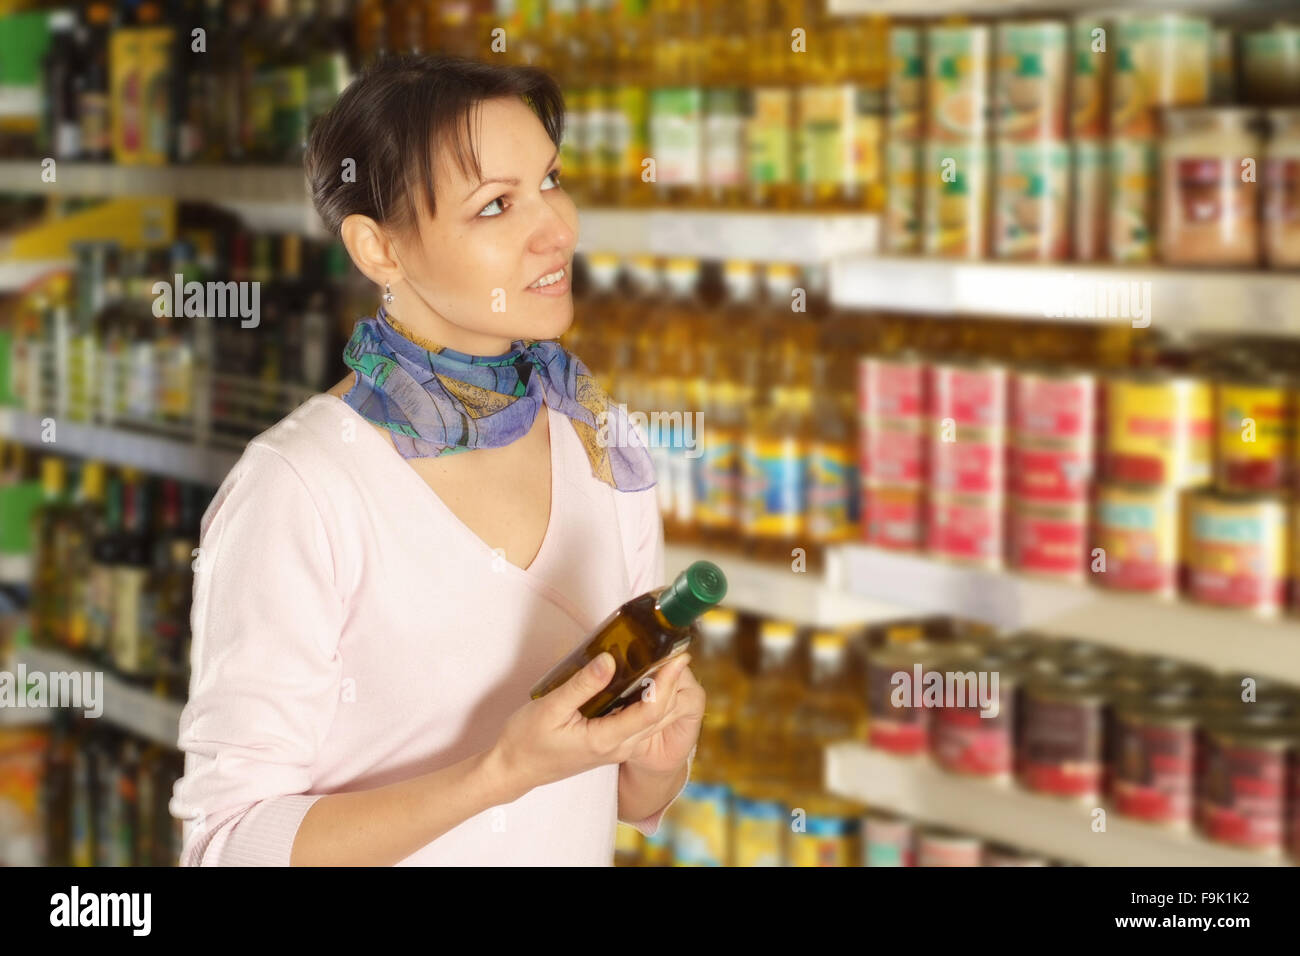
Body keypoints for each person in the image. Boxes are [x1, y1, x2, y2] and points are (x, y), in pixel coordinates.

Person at [170, 53, 703, 866]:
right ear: (378, 250)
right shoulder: (304, 485)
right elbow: (227, 845)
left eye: (550, 180)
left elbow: (623, 796)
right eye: (495, 205)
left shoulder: (601, 441)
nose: (559, 228)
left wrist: (658, 759)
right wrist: (498, 773)